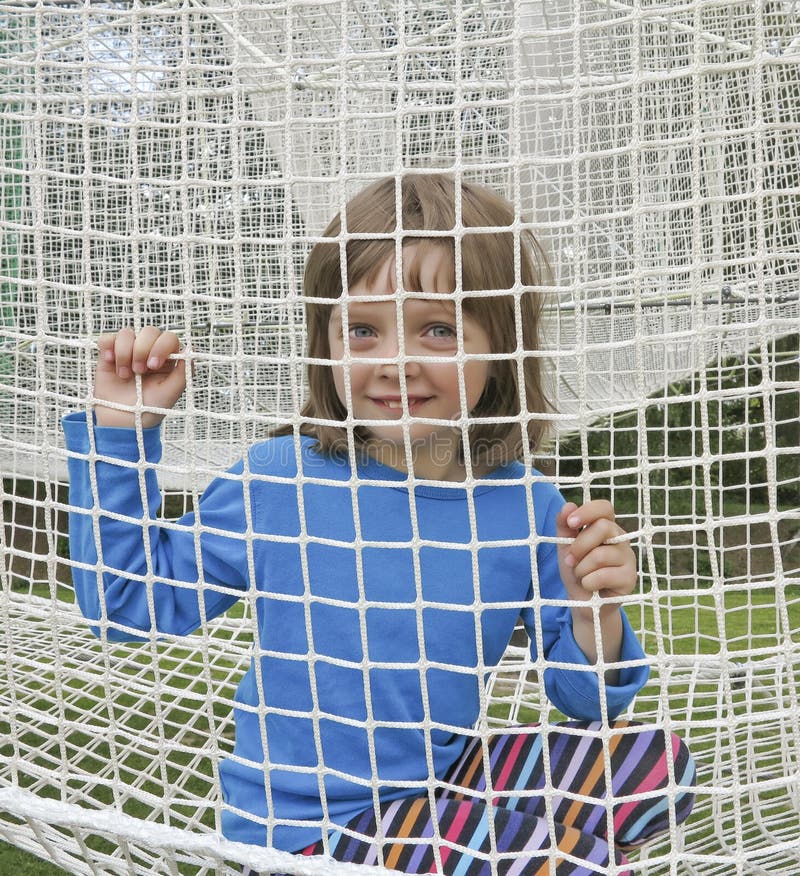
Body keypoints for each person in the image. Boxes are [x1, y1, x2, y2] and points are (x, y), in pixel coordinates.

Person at [64, 173, 695, 874]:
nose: (397, 362)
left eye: (438, 330)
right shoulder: (281, 479)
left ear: (502, 347)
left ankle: (477, 841)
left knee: (654, 767)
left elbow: (584, 698)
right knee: (568, 862)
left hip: (442, 782)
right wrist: (119, 433)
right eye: (363, 331)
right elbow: (126, 604)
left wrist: (593, 611)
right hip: (306, 830)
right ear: (327, 344)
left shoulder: (530, 507)